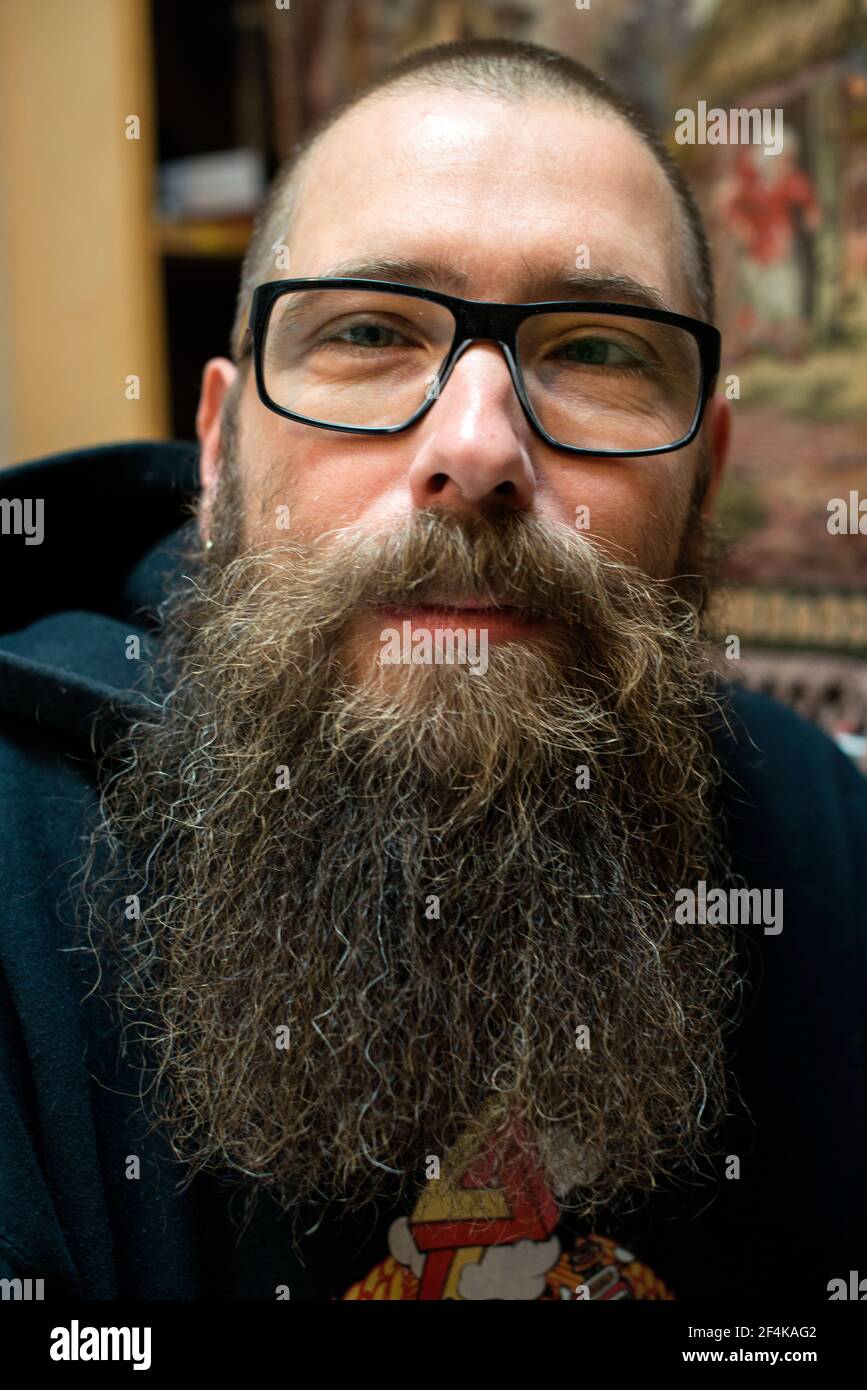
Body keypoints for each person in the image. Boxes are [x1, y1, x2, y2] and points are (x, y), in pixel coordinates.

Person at [0, 38, 864, 1302]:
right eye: (366, 330)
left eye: (598, 349)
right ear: (219, 452)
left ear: (707, 478)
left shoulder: (821, 836)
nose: (477, 448)